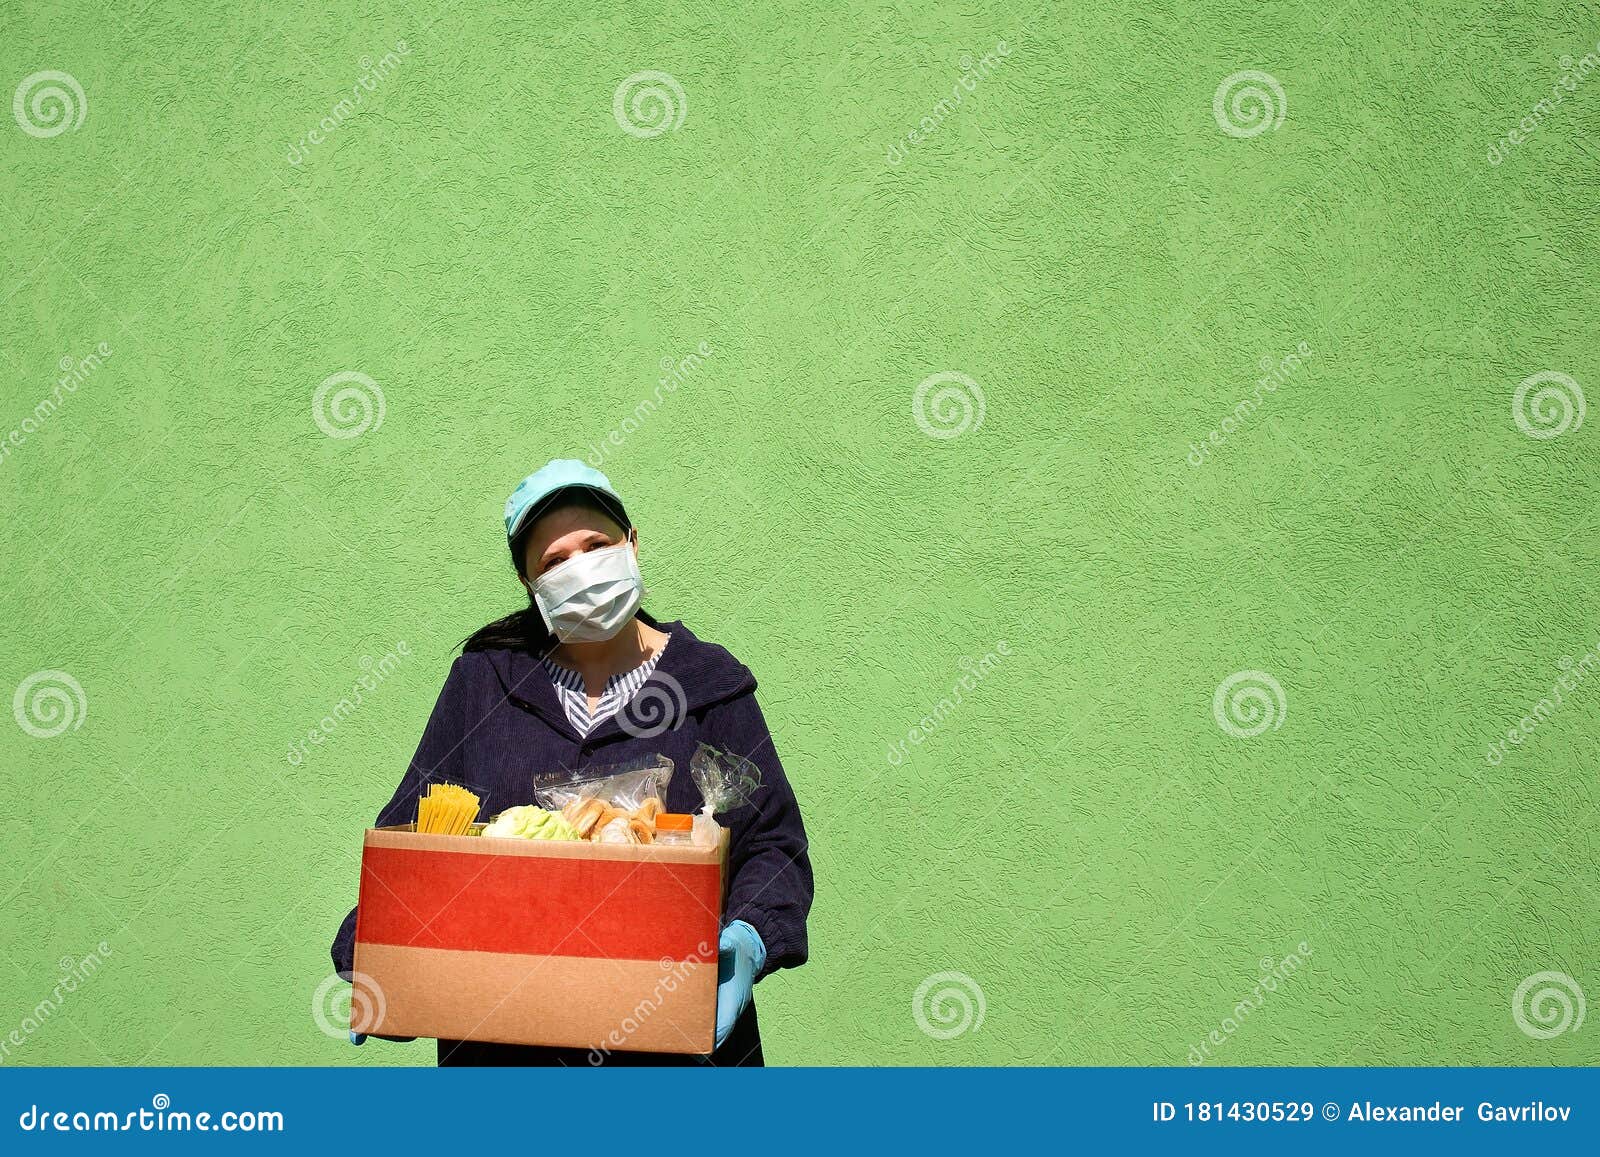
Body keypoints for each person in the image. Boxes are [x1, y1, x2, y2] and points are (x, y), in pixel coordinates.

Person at [329, 459, 813, 1065]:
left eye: (596, 544)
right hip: (507, 1049)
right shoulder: (486, 683)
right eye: (554, 562)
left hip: (675, 1046)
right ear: (533, 587)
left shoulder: (708, 685)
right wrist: (378, 950)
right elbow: (418, 835)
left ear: (633, 546)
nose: (579, 568)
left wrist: (750, 936)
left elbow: (773, 845)